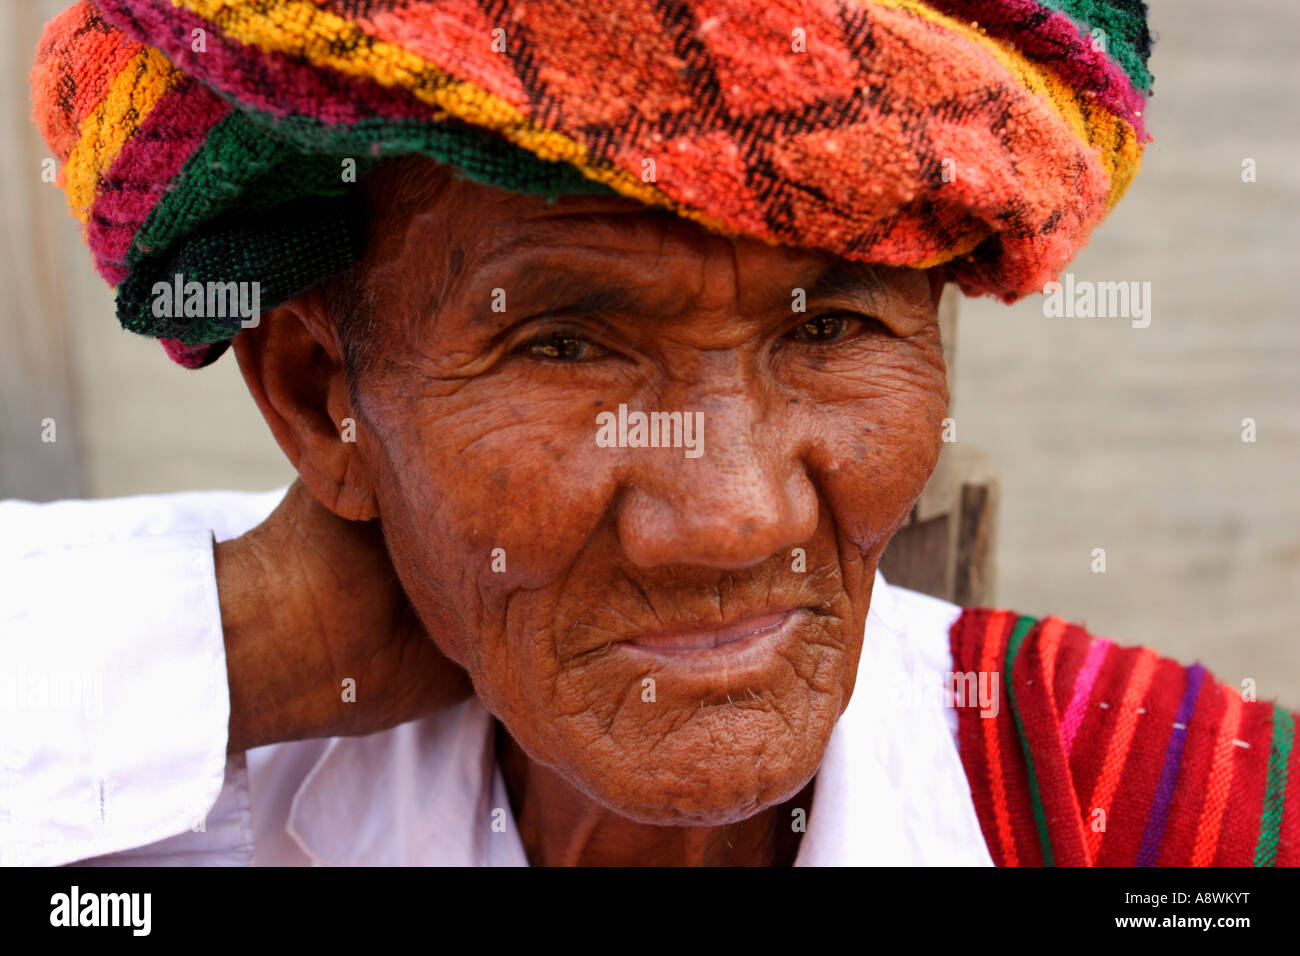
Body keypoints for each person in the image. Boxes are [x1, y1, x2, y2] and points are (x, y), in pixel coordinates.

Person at [3, 0, 1294, 866]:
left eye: (832, 329)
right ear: (314, 397)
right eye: (563, 344)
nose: (737, 514)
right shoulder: (137, 810)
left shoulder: (1141, 803)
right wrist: (254, 643)